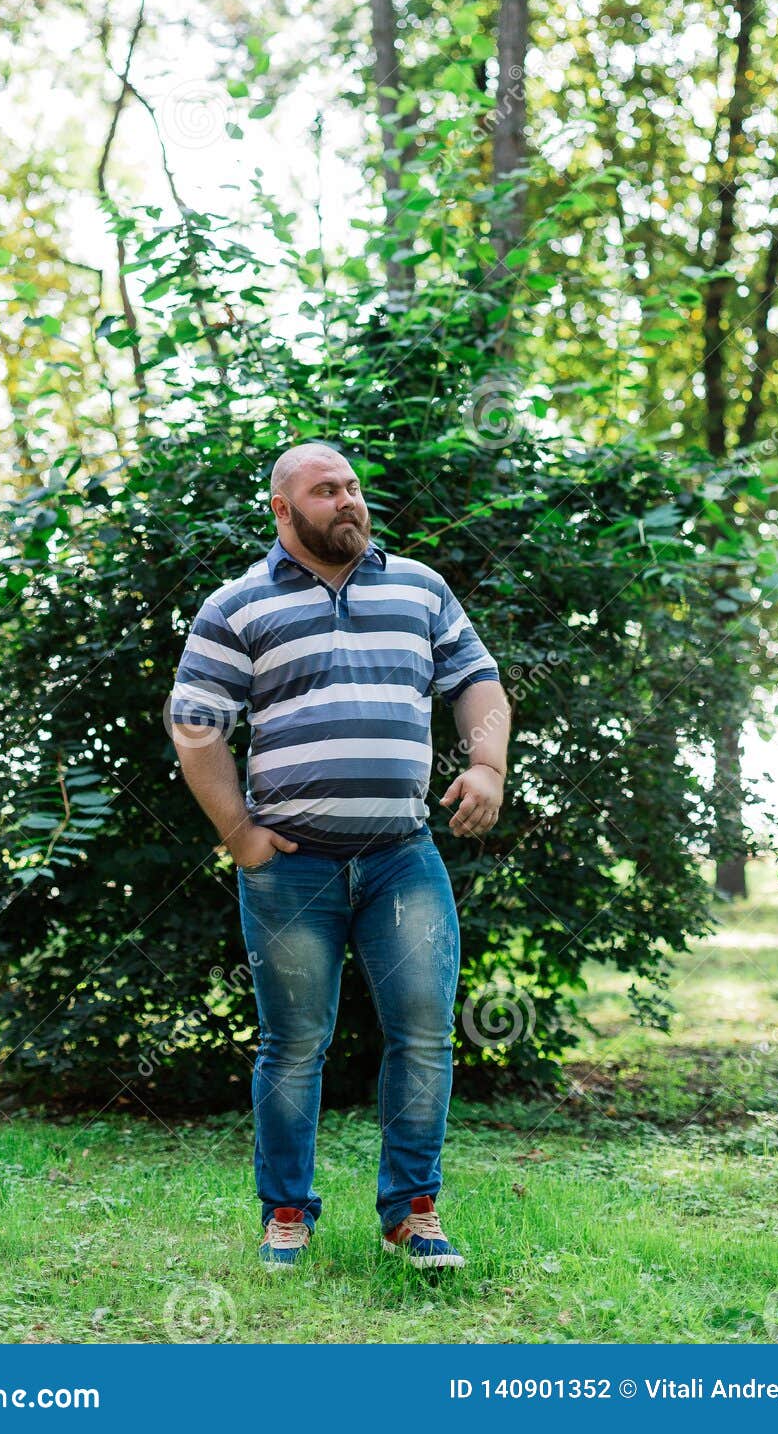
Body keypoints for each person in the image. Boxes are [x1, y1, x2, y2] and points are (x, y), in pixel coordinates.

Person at [168, 441, 510, 1271]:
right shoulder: (238, 604)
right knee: (292, 1044)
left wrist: (486, 764)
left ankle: (412, 1214)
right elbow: (196, 723)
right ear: (283, 510)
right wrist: (240, 835)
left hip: (403, 855)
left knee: (425, 1034)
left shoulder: (418, 587)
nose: (348, 502)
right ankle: (286, 1213)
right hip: (291, 866)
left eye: (353, 487)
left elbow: (476, 681)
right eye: (326, 491)